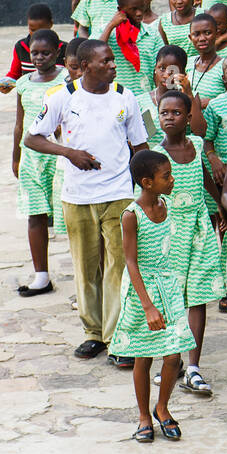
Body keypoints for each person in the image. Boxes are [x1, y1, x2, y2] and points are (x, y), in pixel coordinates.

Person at [25, 40, 150, 363]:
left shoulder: (125, 96)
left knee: (118, 267)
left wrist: (146, 192)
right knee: (86, 267)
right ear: (85, 66)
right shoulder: (61, 97)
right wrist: (69, 152)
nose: (112, 65)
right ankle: (93, 333)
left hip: (119, 194)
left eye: (112, 60)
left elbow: (140, 145)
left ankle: (117, 337)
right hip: (78, 196)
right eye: (105, 61)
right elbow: (32, 138)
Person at [112, 150, 195, 442]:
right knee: (143, 355)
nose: (172, 180)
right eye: (166, 176)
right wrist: (147, 306)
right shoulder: (131, 216)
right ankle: (144, 415)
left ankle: (162, 407)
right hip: (141, 289)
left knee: (173, 353)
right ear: (147, 182)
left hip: (168, 283)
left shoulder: (168, 204)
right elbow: (131, 262)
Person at [154, 90, 225, 393]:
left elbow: (205, 177)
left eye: (176, 112)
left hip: (198, 229)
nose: (169, 117)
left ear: (189, 117)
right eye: (164, 112)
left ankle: (193, 367)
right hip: (170, 232)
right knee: (172, 299)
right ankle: (172, 360)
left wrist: (220, 204)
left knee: (198, 296)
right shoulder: (157, 154)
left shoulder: (196, 144)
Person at [12, 29, 64, 298]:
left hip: (61, 154)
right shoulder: (23, 83)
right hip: (32, 156)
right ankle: (41, 275)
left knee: (69, 216)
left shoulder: (68, 78)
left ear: (57, 52)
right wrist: (15, 155)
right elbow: (19, 123)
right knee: (35, 213)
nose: (40, 57)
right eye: (35, 53)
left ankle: (85, 279)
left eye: (46, 52)